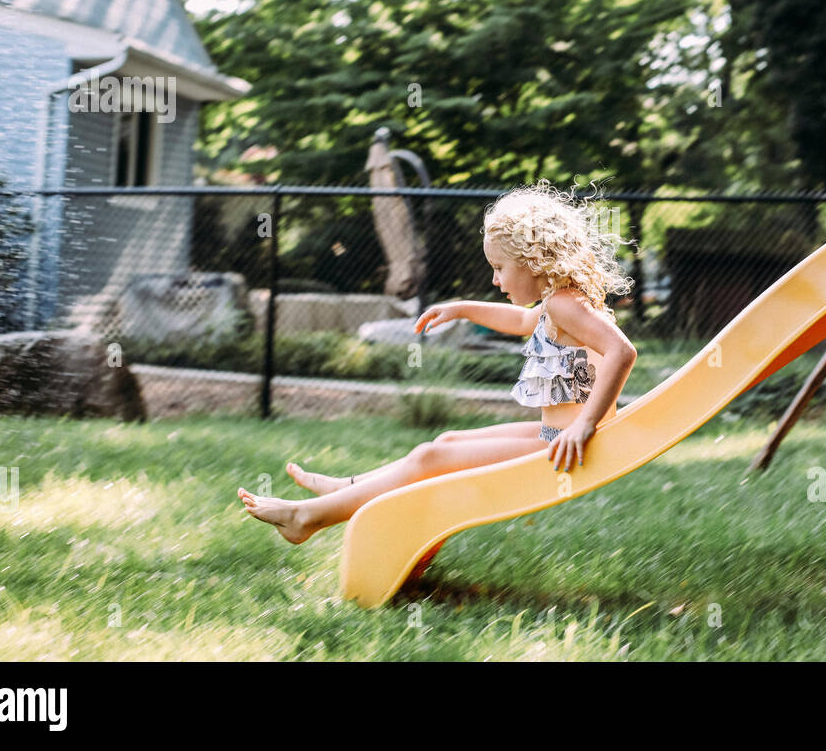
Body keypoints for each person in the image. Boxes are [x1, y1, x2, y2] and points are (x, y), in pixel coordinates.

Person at [238, 180, 637, 544]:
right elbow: (519, 320)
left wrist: (585, 425)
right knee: (445, 442)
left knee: (432, 458)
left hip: (568, 447)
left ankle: (307, 517)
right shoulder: (558, 303)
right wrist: (461, 308)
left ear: (535, 261)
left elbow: (623, 352)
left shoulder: (567, 305)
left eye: (500, 268)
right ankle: (349, 487)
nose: (496, 280)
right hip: (555, 439)